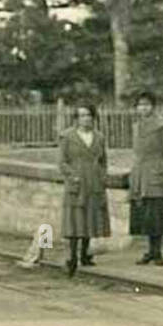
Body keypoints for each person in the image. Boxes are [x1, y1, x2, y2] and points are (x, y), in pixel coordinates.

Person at [58, 102, 112, 277]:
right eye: (82, 115)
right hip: (77, 182)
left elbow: (103, 160)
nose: (86, 119)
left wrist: (102, 176)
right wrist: (72, 175)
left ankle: (85, 254)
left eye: (89, 115)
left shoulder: (99, 137)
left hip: (94, 182)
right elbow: (62, 161)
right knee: (75, 221)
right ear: (76, 119)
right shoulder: (67, 136)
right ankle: (72, 257)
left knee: (90, 218)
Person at [128, 90, 163, 266]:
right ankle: (149, 251)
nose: (143, 108)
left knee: (157, 213)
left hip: (157, 172)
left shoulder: (161, 126)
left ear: (153, 106)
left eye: (147, 105)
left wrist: (160, 167)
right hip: (140, 173)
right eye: (140, 105)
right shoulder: (136, 126)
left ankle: (157, 252)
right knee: (145, 215)